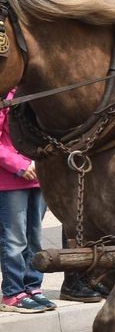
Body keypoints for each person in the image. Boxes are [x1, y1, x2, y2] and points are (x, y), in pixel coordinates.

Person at [0, 91, 55, 313]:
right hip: (10, 181)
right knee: (14, 240)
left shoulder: (32, 95)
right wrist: (19, 165)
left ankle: (33, 288)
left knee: (34, 239)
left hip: (38, 177)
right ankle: (13, 293)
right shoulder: (5, 97)